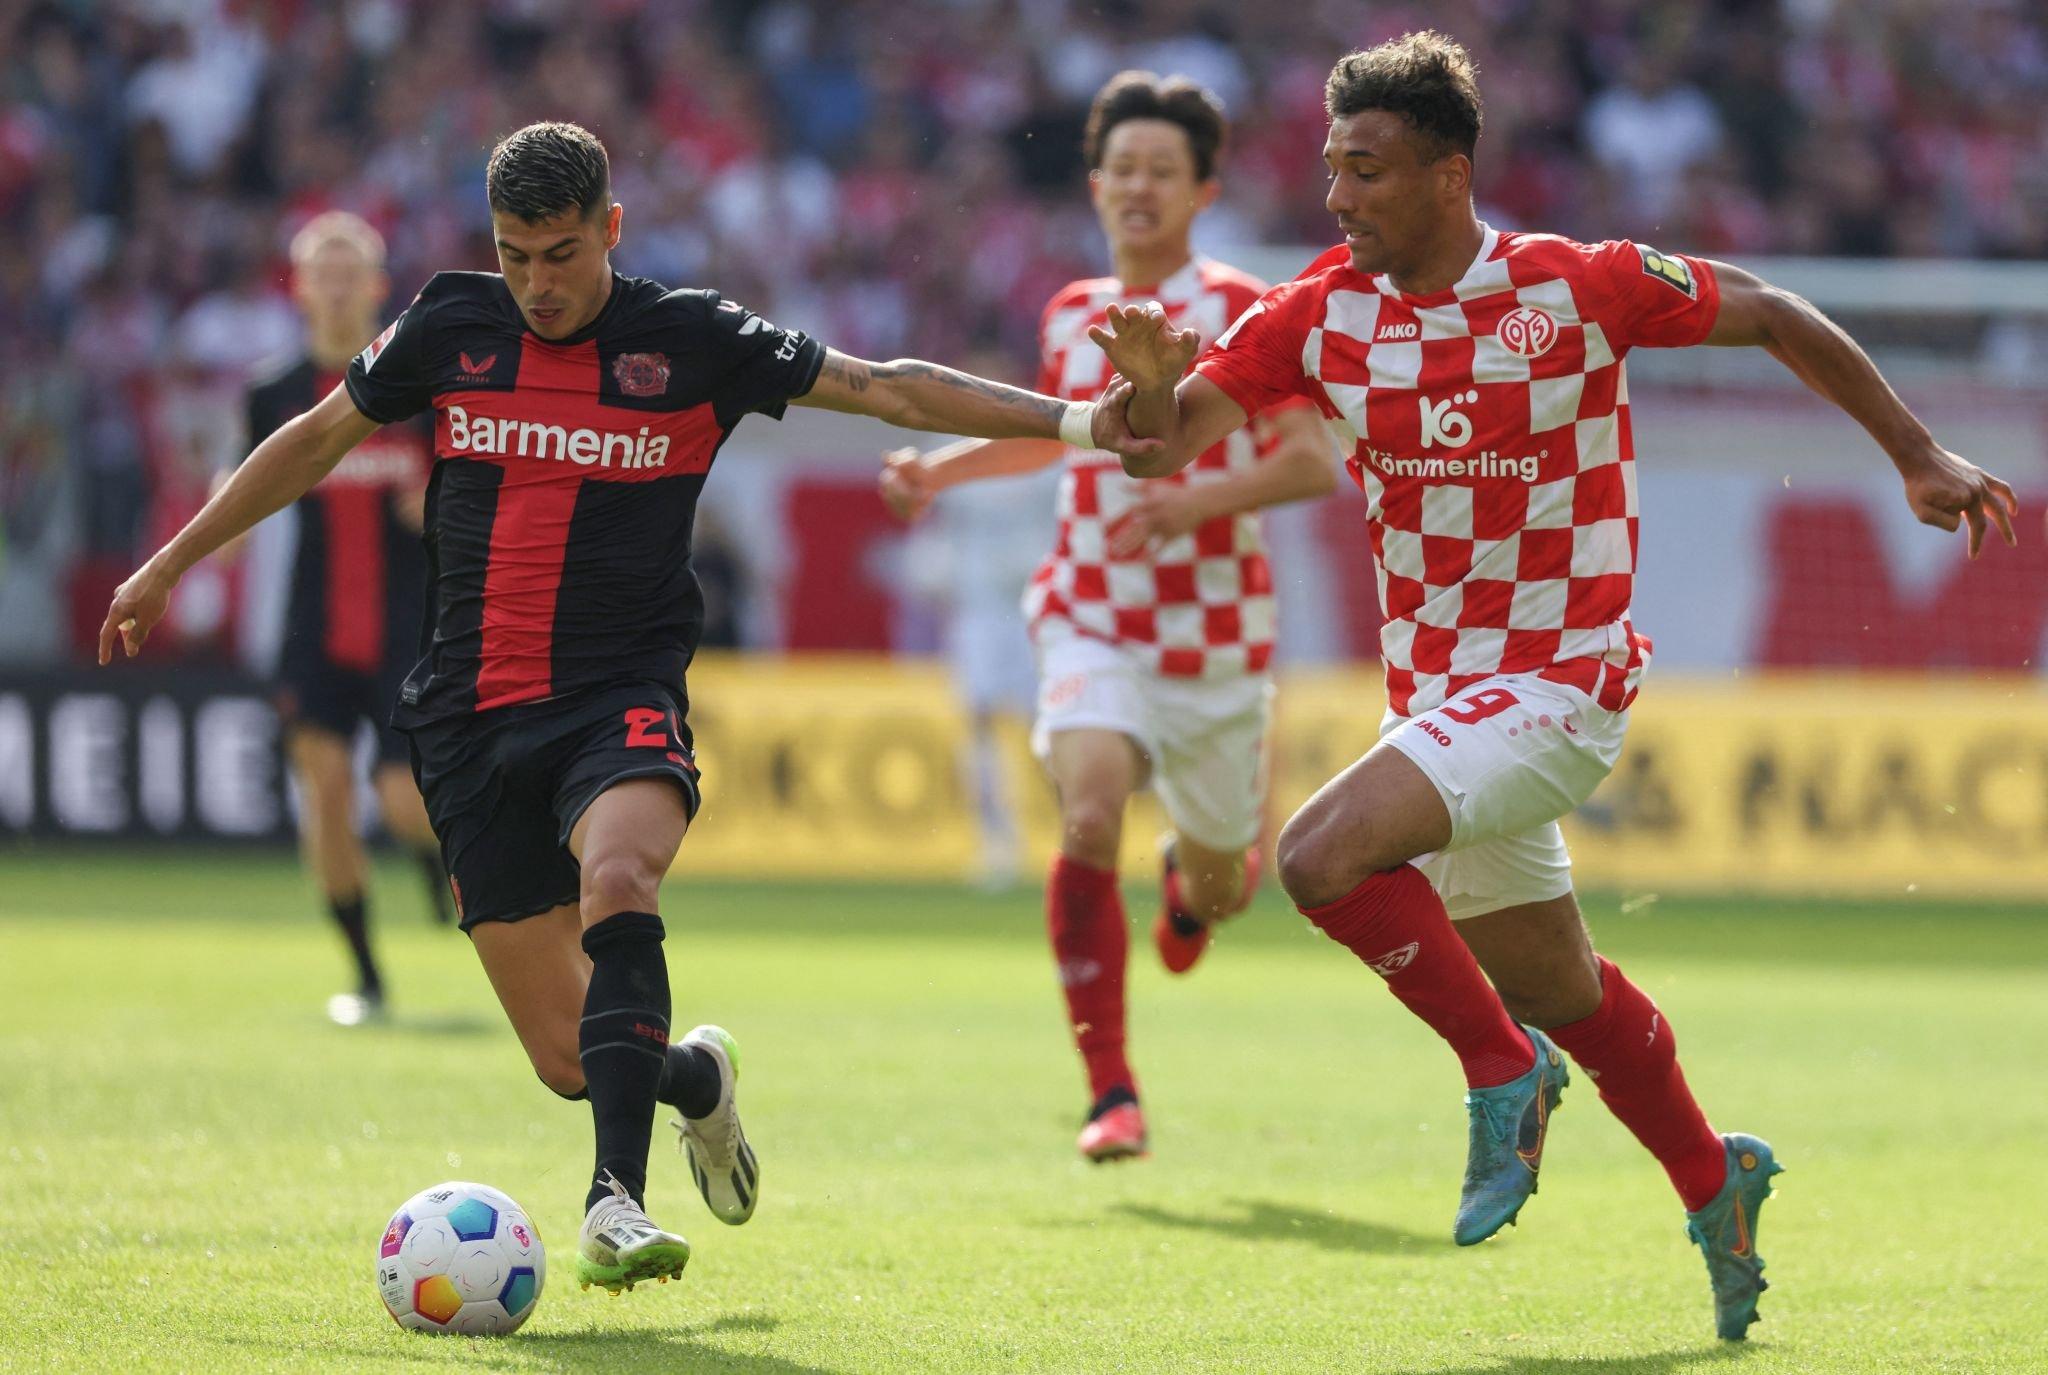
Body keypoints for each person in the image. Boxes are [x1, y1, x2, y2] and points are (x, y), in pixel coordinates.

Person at [99, 121, 1164, 1298]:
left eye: (560, 254)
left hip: (618, 694)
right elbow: (310, 443)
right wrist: (169, 563)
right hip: (463, 715)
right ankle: (694, 1084)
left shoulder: (693, 339)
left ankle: (615, 1201)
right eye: (514, 256)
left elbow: (884, 388)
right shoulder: (448, 326)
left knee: (619, 882)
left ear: (610, 228)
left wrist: (1079, 422)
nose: (538, 284)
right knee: (570, 1059)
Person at [1090, 32, 2017, 1341]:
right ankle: (1716, 1176)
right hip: (1438, 704)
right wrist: (1143, 393)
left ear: (1449, 174)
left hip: (1562, 679)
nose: (1338, 196)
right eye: (1331, 169)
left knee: (1318, 858)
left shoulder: (1573, 285)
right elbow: (1165, 438)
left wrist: (1914, 451)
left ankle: (1497, 1070)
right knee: (1563, 987)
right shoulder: (1320, 310)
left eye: (1368, 171)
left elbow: (1768, 308)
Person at [879, 72, 1335, 1164]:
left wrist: (1192, 497)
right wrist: (939, 471)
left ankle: (1190, 888)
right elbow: (1053, 430)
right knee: (1086, 814)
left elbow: (1311, 464)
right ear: (1094, 184)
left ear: (1202, 189)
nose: (1137, 186)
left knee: (1223, 889)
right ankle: (1110, 1092)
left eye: (1160, 171)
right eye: (1120, 168)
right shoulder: (1071, 310)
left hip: (1215, 641)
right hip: (1088, 608)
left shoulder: (1247, 311)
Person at [242, 211, 453, 1027]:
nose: (333, 287)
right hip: (313, 628)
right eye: (318, 272)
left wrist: (434, 500)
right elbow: (252, 485)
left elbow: (468, 484)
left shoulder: (420, 384)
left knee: (404, 800)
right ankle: (366, 976)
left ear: (376, 286)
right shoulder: (273, 393)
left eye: (348, 272)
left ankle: (432, 859)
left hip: (406, 628)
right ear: (298, 289)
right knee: (325, 793)